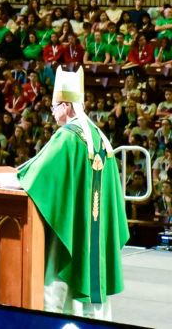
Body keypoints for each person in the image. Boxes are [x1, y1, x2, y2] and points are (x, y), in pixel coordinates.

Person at [8, 68, 130, 319]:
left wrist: (15, 177)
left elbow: (36, 176)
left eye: (54, 107)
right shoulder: (100, 138)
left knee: (59, 277)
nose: (52, 112)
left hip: (71, 228)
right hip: (94, 230)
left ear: (65, 105)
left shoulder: (67, 137)